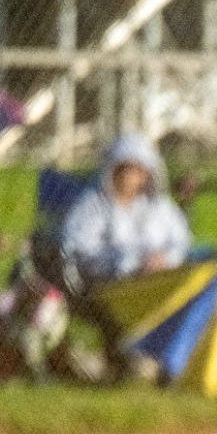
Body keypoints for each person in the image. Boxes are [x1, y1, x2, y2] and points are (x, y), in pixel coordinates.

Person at [58, 132, 192, 380]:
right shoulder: (92, 206)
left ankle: (170, 362)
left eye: (137, 170)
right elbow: (80, 250)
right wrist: (130, 261)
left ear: (147, 173)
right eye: (124, 169)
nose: (130, 177)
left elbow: (180, 243)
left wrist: (163, 260)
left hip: (160, 283)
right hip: (112, 287)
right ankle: (129, 362)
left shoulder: (160, 208)